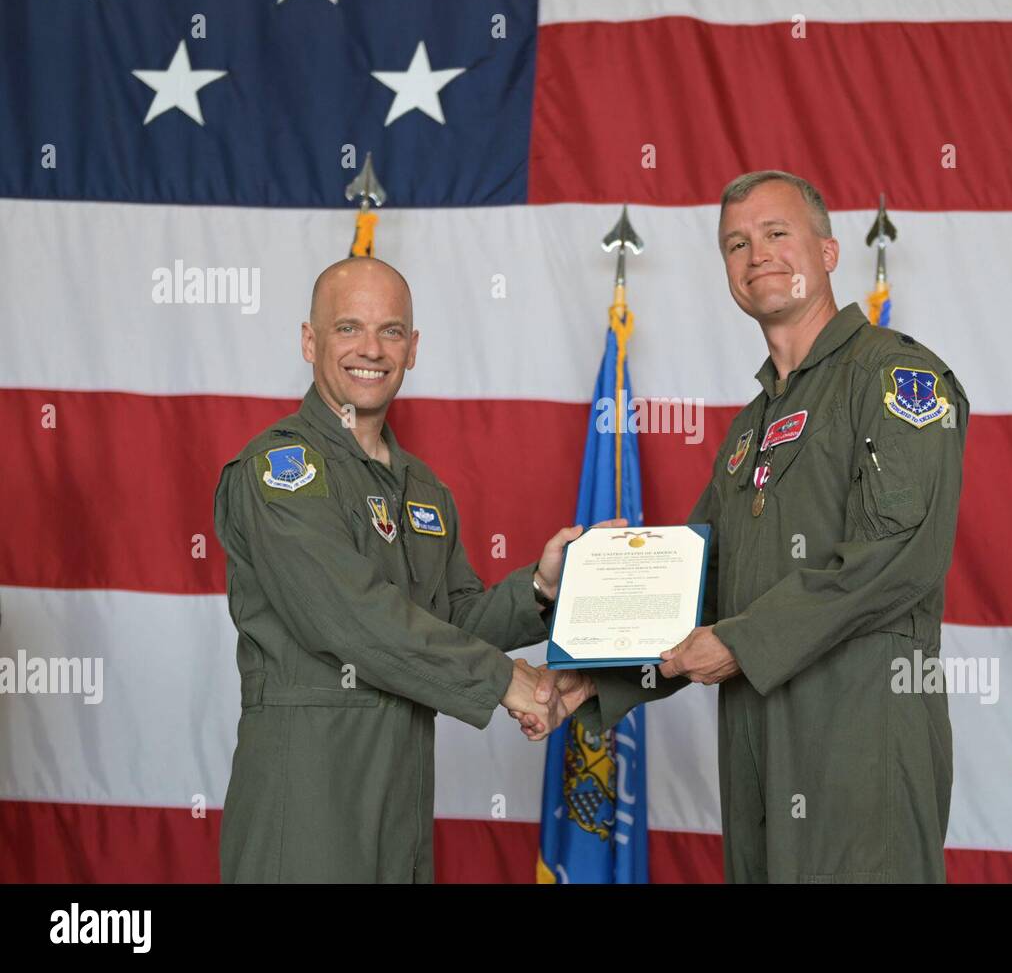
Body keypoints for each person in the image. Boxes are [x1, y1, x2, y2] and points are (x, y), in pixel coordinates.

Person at [523, 171, 970, 883]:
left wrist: (740, 642)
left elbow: (897, 556)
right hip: (757, 750)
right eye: (736, 242)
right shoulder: (749, 431)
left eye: (776, 233)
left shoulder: (896, 378)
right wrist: (595, 684)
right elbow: (695, 588)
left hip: (860, 743)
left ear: (826, 251)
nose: (755, 253)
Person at [213, 256, 602, 883]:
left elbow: (449, 622)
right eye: (348, 328)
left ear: (413, 348)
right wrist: (507, 681)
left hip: (403, 798)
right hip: (307, 796)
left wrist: (542, 586)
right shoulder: (280, 470)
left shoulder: (423, 489)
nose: (371, 348)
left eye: (391, 331)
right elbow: (351, 618)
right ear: (309, 341)